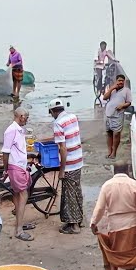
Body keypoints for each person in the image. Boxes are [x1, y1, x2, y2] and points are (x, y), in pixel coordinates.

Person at [46, 99, 85, 233]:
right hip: (78, 160)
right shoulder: (72, 117)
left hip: (69, 163)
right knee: (76, 191)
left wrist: (62, 170)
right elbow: (68, 137)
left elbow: (63, 148)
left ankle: (73, 226)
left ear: (52, 111)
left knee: (69, 195)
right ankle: (79, 220)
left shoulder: (57, 123)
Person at [3, 107, 34, 242]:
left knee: (17, 194)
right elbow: (5, 151)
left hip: (19, 166)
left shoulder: (18, 130)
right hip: (15, 167)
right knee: (23, 195)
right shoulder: (11, 130)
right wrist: (5, 169)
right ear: (20, 116)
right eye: (26, 117)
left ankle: (19, 223)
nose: (27, 120)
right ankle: (19, 230)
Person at [102, 74, 133, 160]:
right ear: (116, 81)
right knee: (108, 133)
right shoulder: (112, 89)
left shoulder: (126, 91)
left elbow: (129, 102)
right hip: (108, 114)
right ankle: (109, 151)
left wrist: (122, 105)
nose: (120, 82)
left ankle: (114, 152)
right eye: (119, 81)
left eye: (122, 81)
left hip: (118, 115)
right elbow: (104, 97)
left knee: (116, 134)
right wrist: (112, 88)